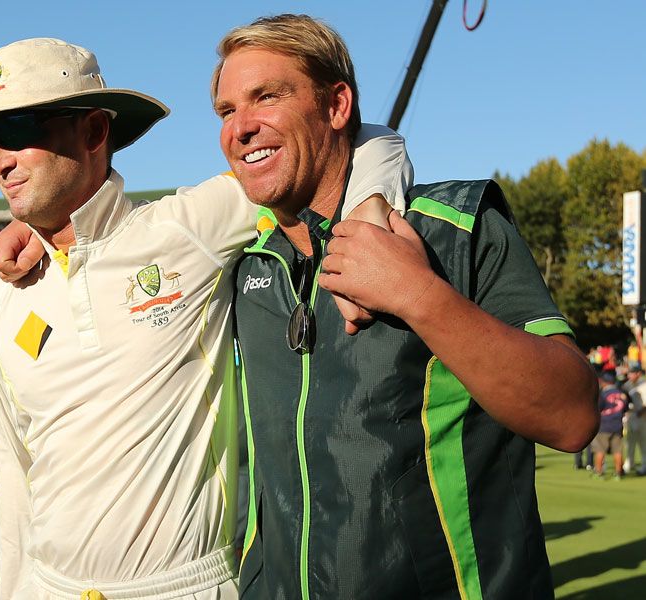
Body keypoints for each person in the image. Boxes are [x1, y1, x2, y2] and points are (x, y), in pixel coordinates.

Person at [0, 36, 410, 599]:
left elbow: (357, 143)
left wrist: (372, 206)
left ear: (95, 132)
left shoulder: (189, 227)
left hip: (186, 587)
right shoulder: (1, 294)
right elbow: (14, 468)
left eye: (19, 132)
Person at [214, 14, 598, 599]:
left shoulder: (459, 227)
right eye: (225, 110)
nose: (240, 127)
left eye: (267, 96)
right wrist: (33, 233)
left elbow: (571, 415)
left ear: (338, 105)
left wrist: (418, 293)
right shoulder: (243, 265)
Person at [594, 371, 629, 479]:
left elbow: (598, 408)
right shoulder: (622, 393)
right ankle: (618, 473)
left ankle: (599, 472)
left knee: (600, 450)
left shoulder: (603, 394)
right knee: (617, 451)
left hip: (604, 425)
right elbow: (626, 408)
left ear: (604, 382)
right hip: (617, 425)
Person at [623, 366, 646, 474]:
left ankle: (644, 466)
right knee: (630, 442)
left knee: (643, 443)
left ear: (638, 374)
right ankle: (629, 464)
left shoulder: (644, 385)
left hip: (642, 418)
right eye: (629, 373)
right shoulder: (627, 385)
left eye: (632, 373)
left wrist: (639, 413)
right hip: (630, 417)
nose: (630, 375)